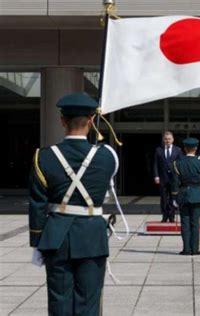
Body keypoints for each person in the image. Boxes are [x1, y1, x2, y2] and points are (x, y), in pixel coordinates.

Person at [28, 93, 118, 315]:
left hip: (56, 236)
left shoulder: (43, 156)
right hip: (92, 236)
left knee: (59, 301)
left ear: (62, 120)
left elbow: (38, 204)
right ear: (90, 121)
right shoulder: (107, 156)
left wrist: (37, 241)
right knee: (89, 302)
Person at [171, 138, 200, 255]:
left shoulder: (177, 163)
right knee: (195, 223)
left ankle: (186, 249)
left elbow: (175, 183)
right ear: (196, 149)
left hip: (183, 195)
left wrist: (174, 197)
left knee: (185, 223)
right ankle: (195, 249)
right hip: (197, 195)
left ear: (184, 149)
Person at [153, 131, 183, 222]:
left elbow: (181, 164)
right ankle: (164, 215)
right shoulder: (158, 150)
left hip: (174, 178)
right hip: (162, 178)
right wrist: (156, 176)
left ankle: (172, 215)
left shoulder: (178, 150)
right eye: (166, 139)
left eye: (169, 139)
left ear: (172, 140)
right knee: (163, 198)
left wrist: (180, 176)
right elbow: (155, 164)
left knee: (173, 198)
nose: (167, 140)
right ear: (163, 140)